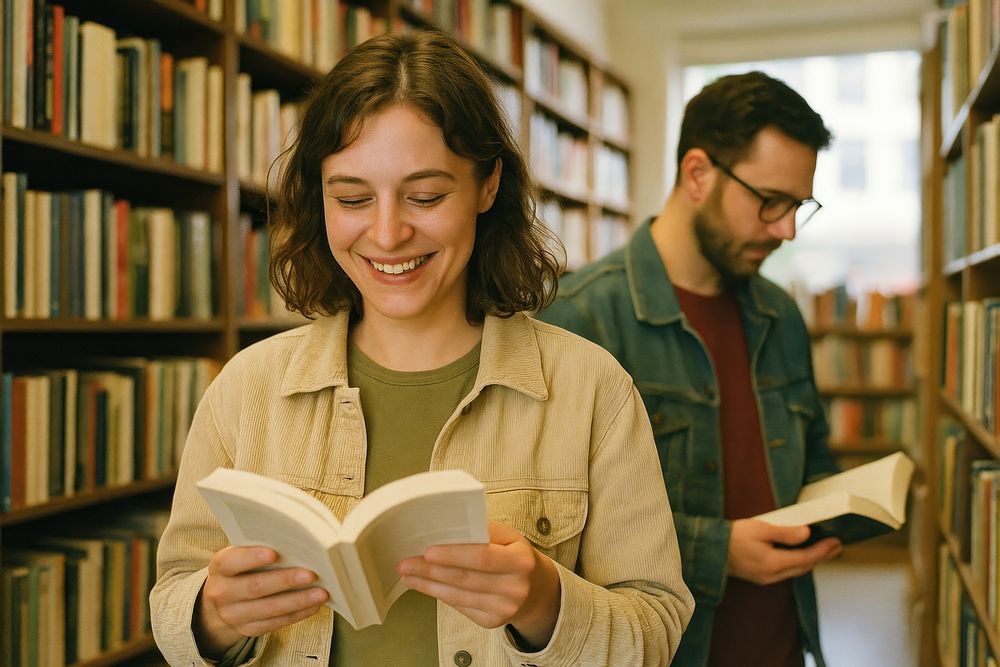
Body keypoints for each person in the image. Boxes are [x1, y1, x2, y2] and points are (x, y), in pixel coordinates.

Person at [150, 30, 693, 667]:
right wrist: (212, 616)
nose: (387, 232)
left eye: (427, 196)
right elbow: (172, 604)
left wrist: (547, 603)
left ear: (488, 186)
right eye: (351, 198)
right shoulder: (249, 388)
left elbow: (656, 629)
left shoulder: (591, 387)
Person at [537, 71, 842, 667]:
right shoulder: (579, 317)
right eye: (769, 202)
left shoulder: (779, 314)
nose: (784, 229)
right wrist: (717, 551)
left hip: (782, 644)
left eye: (798, 206)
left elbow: (814, 460)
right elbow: (553, 531)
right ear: (698, 174)